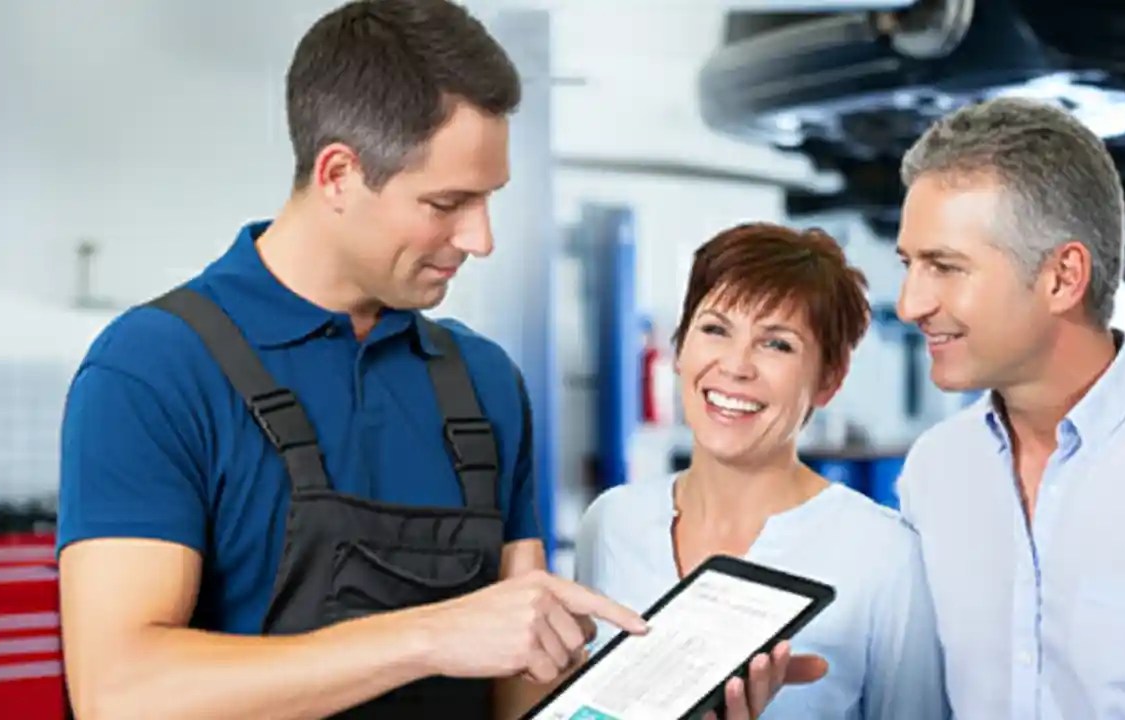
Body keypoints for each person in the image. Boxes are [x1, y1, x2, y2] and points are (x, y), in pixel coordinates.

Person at [52, 3, 655, 719]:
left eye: (489, 200)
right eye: (447, 202)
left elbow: (520, 691)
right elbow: (120, 694)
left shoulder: (485, 383)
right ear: (339, 173)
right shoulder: (155, 369)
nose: (481, 238)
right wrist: (429, 637)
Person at [893, 96, 1125, 719]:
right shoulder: (935, 472)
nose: (910, 303)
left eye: (944, 267)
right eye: (910, 264)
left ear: (1062, 277)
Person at [574, 222, 950, 719]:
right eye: (714, 330)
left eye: (777, 344)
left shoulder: (885, 557)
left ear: (829, 380)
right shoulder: (612, 523)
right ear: (681, 348)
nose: (736, 365)